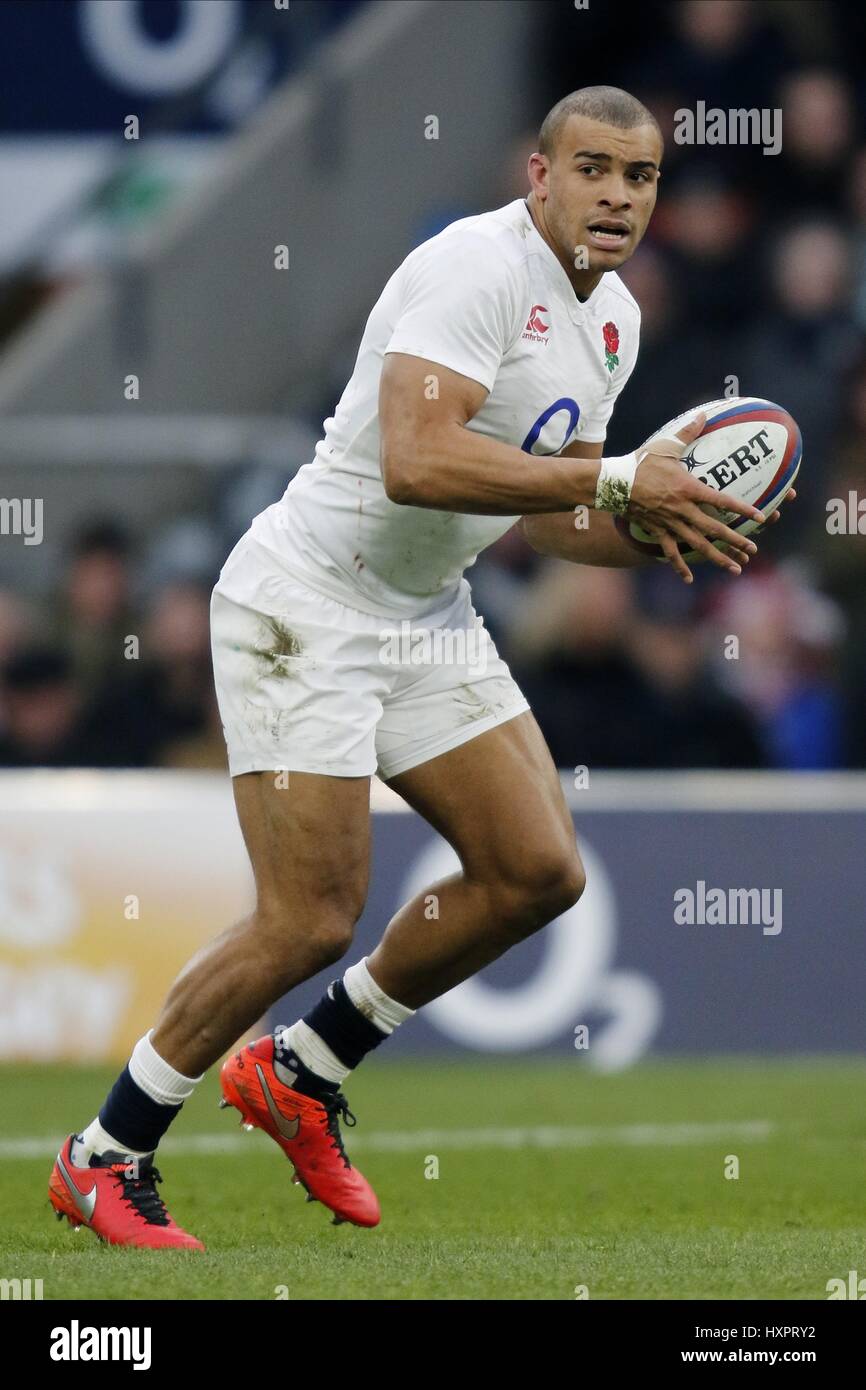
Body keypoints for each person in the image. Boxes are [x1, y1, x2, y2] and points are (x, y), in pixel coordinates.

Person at [49, 86, 772, 1249]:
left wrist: (649, 519)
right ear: (538, 176)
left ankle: (304, 1068)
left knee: (538, 868)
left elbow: (547, 514)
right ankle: (104, 1154)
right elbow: (418, 462)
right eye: (591, 169)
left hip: (426, 611)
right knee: (307, 917)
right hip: (307, 605)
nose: (616, 197)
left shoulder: (614, 322)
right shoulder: (468, 269)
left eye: (637, 178)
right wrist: (613, 480)